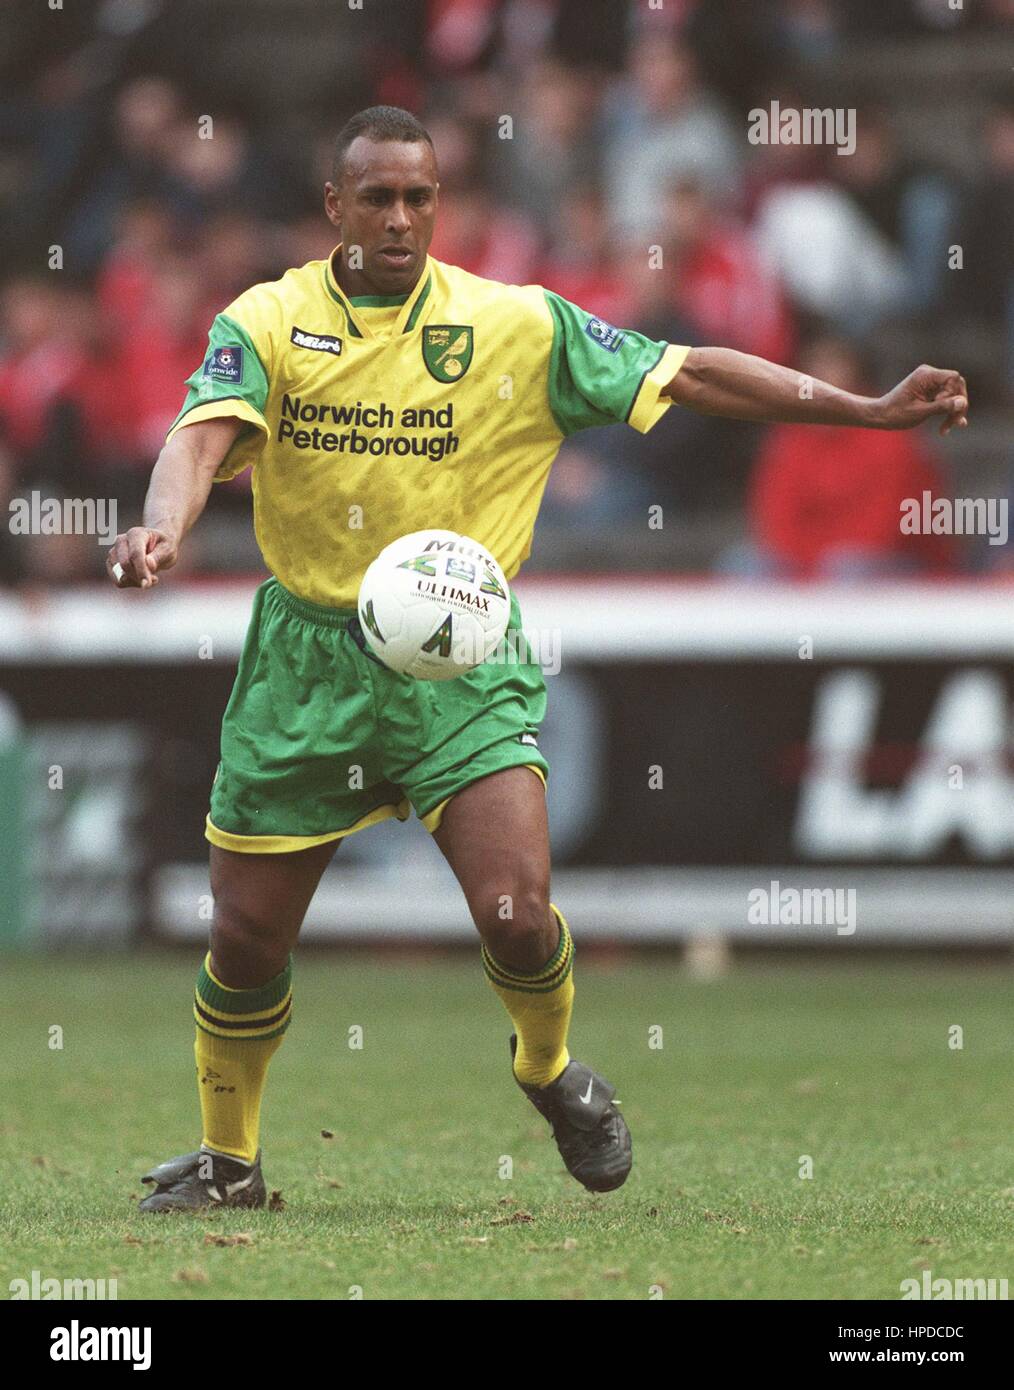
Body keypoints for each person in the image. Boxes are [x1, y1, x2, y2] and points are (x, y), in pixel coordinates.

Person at [106, 106, 969, 1213]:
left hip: (460, 664)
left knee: (516, 911)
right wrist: (161, 528)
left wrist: (863, 409)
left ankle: (551, 1070)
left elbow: (690, 370)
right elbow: (198, 436)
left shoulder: (514, 325)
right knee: (242, 936)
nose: (402, 217)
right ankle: (231, 1162)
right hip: (309, 664)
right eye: (377, 197)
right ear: (334, 206)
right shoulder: (270, 320)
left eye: (420, 196)